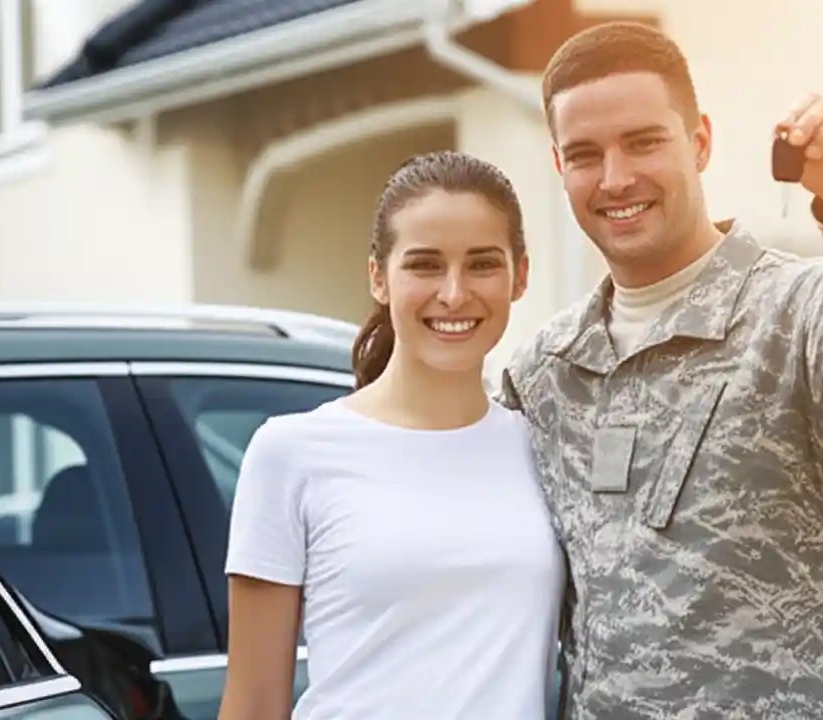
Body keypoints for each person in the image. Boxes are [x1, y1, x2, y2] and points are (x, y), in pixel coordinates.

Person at [498, 22, 823, 720]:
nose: (615, 179)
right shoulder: (544, 374)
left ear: (700, 140)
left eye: (643, 142)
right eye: (586, 154)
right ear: (559, 168)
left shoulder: (802, 314)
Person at [218, 151, 565, 720]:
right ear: (378, 277)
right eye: (424, 265)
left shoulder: (545, 450)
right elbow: (253, 705)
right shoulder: (291, 453)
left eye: (482, 264)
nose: (454, 294)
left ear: (520, 275)